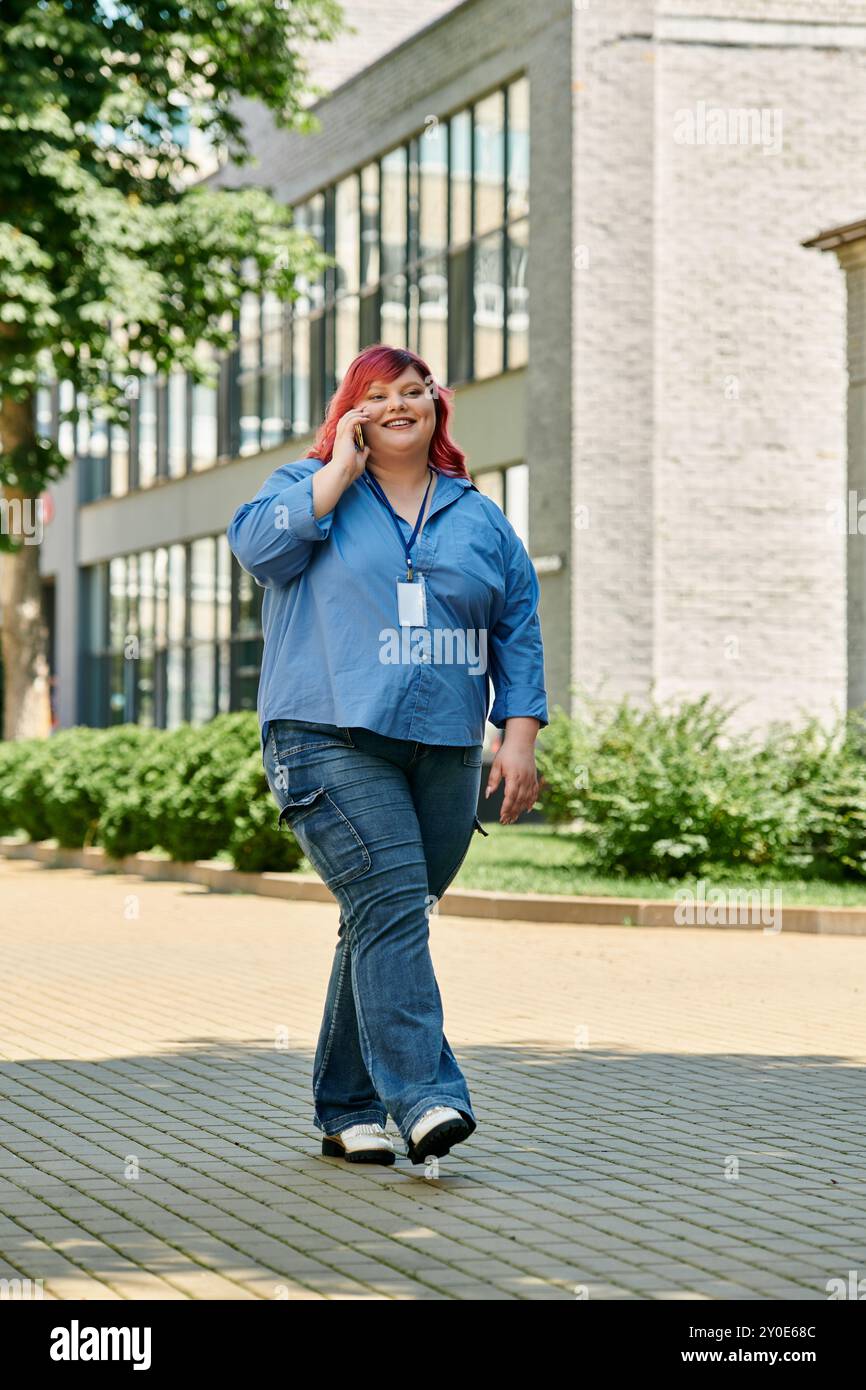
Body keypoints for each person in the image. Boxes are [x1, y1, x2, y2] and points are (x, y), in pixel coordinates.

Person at [226, 344, 548, 1166]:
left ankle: (344, 1106)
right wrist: (337, 467)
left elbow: (517, 625)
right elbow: (260, 551)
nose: (400, 402)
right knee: (395, 907)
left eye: (414, 389)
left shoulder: (478, 515)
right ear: (353, 411)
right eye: (377, 394)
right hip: (323, 736)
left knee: (386, 914)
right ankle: (427, 1095)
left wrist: (518, 741)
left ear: (437, 406)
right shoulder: (304, 489)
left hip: (444, 747)